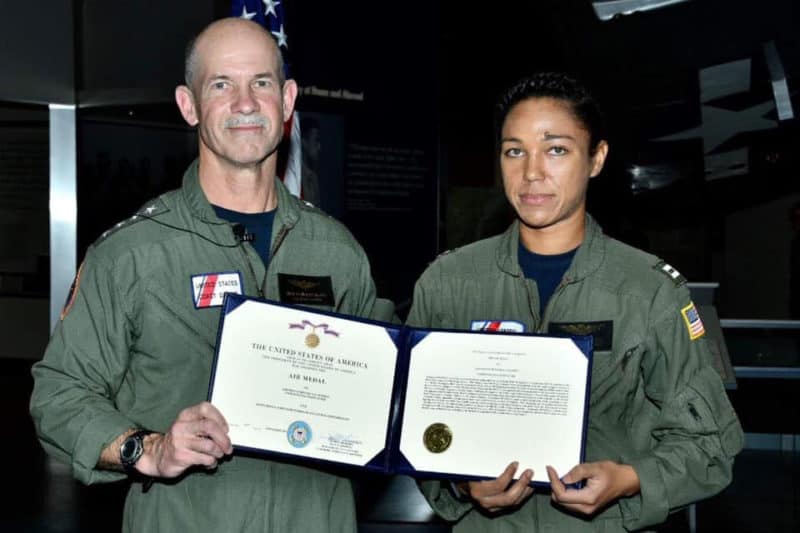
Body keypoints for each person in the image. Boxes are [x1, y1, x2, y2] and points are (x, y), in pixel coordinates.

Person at [30, 17, 385, 533]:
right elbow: (59, 395)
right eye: (222, 85)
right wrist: (146, 449)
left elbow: (385, 387)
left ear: (286, 101)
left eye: (261, 83)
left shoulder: (337, 252)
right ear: (188, 105)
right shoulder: (132, 254)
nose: (245, 103)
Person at [406, 72, 743, 532]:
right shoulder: (448, 284)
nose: (532, 172)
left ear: (596, 159)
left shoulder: (647, 293)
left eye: (556, 149)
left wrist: (628, 479)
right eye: (514, 150)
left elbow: (710, 445)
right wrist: (461, 486)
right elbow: (414, 429)